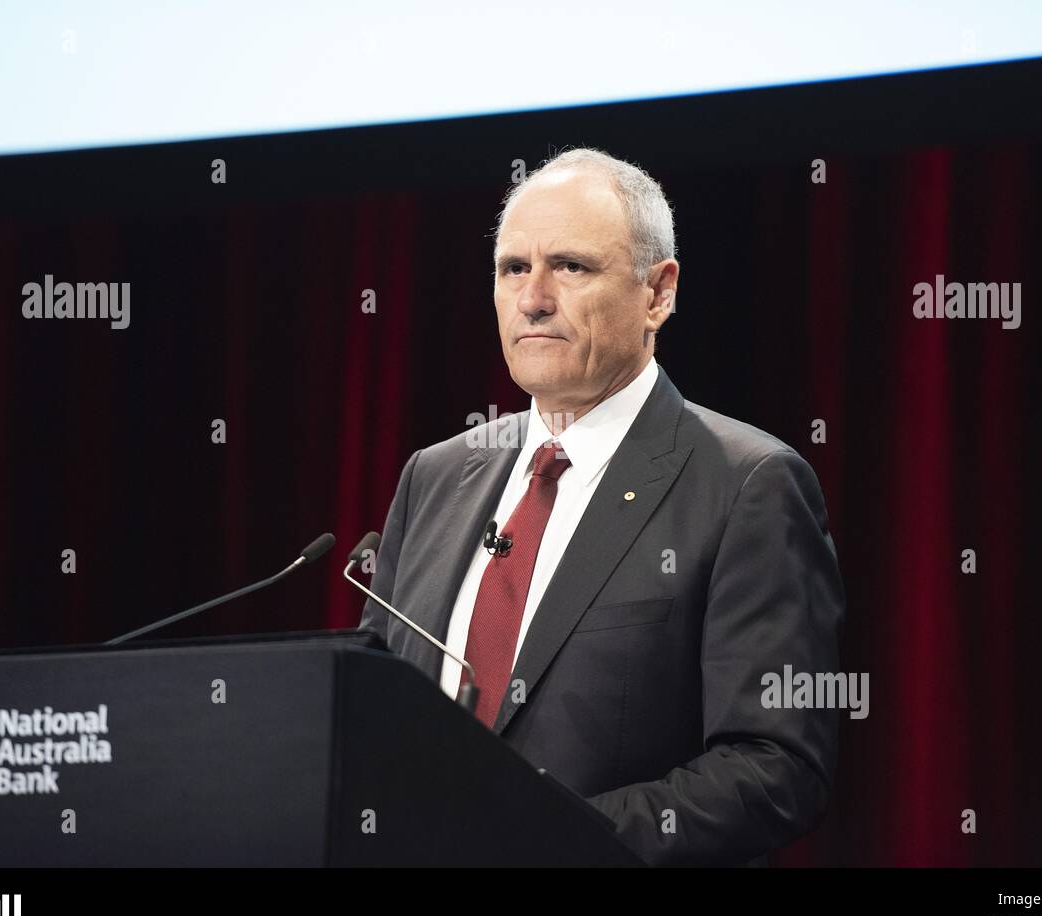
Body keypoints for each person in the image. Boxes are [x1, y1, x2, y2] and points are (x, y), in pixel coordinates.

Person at [358, 147, 844, 866]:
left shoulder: (748, 484)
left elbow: (775, 766)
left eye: (571, 267)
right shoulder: (435, 475)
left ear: (658, 293)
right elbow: (372, 720)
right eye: (513, 268)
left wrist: (544, 837)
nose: (534, 298)